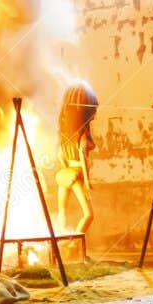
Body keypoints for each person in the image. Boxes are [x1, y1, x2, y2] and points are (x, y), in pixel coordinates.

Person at [55, 81, 98, 237]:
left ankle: (59, 245)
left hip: (65, 173)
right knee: (89, 214)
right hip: (77, 174)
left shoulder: (65, 135)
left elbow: (60, 155)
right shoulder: (83, 135)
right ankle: (73, 245)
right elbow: (83, 158)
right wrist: (87, 181)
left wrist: (66, 167)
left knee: (62, 212)